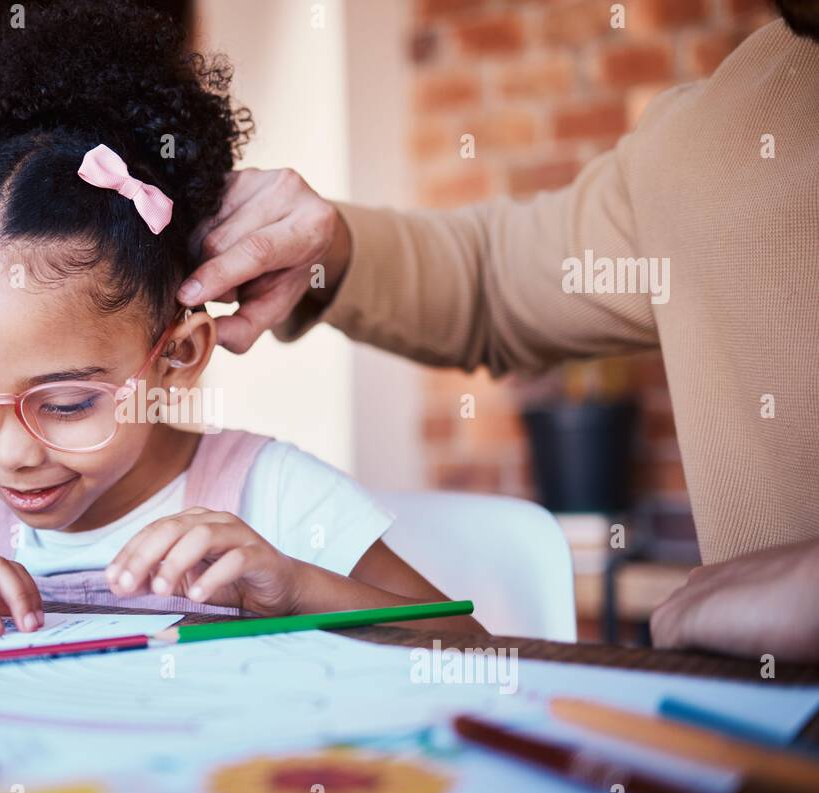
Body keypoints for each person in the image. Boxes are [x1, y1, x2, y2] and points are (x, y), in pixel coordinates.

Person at [0, 1, 481, 638]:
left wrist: (296, 586)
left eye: (65, 403)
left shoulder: (264, 495)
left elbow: (473, 651)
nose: (10, 453)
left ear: (182, 354)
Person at [175, 9, 819, 661]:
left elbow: (458, 639)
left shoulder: (276, 489)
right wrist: (329, 247)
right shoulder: (729, 123)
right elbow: (492, 277)